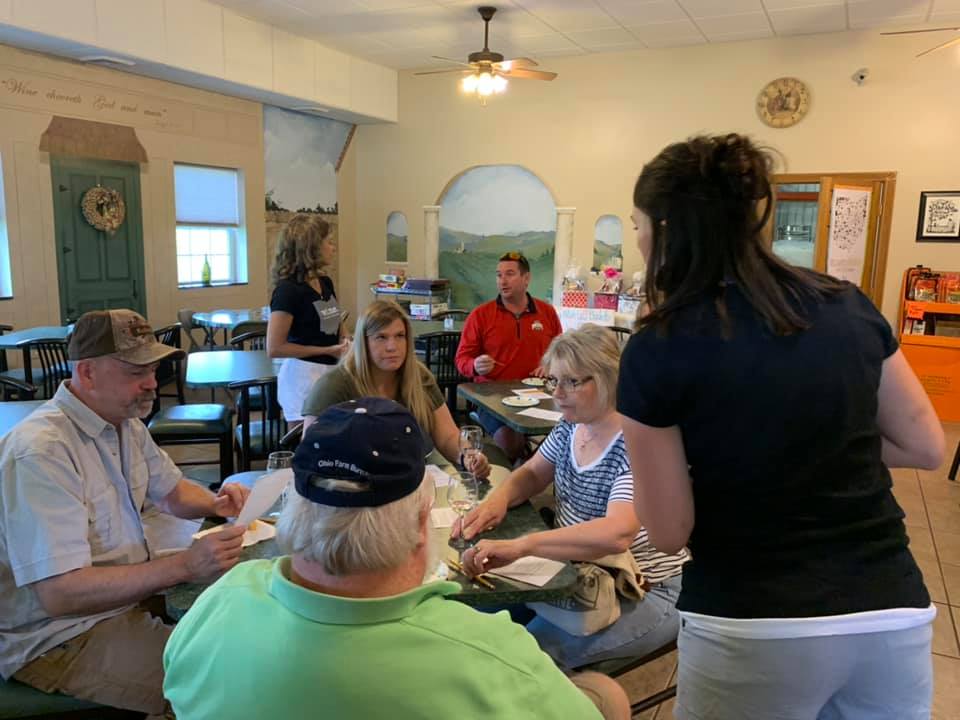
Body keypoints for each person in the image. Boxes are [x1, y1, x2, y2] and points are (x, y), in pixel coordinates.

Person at [617, 134, 945, 720]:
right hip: (887, 609)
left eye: (637, 224)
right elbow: (925, 445)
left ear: (666, 229)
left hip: (753, 619)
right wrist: (819, 444)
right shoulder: (847, 304)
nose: (637, 239)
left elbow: (667, 531)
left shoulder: (659, 346)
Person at [163, 397, 630, 720]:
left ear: (294, 510)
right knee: (606, 695)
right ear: (421, 523)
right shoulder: (491, 653)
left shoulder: (214, 607)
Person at [0, 309, 250, 716]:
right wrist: (186, 565)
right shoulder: (41, 453)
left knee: (243, 626)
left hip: (117, 602)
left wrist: (215, 502)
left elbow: (171, 492)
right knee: (217, 681)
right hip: (56, 636)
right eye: (135, 371)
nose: (152, 382)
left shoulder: (123, 421)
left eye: (152, 368)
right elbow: (60, 593)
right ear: (87, 372)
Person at [457, 324, 686, 669]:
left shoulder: (638, 440)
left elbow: (616, 533)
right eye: (554, 380)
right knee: (473, 620)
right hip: (579, 576)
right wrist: (497, 501)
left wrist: (525, 545)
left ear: (609, 378)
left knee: (524, 661)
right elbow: (533, 473)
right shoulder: (570, 424)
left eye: (571, 382)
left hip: (644, 588)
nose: (558, 393)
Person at [301, 299, 492, 479]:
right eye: (381, 337)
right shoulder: (334, 385)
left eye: (399, 336)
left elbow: (447, 435)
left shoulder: (419, 376)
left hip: (412, 475)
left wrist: (468, 455)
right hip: (355, 484)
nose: (392, 346)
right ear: (363, 342)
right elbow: (310, 454)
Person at [455, 251, 562, 462]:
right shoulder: (480, 315)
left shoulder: (547, 312)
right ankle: (522, 479)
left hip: (539, 395)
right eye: (499, 275)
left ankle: (533, 474)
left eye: (510, 274)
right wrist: (475, 365)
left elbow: (562, 352)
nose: (502, 280)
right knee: (511, 441)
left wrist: (551, 366)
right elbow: (461, 360)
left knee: (567, 430)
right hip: (492, 398)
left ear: (526, 278)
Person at [267, 213, 351, 422]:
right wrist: (327, 350)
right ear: (311, 248)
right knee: (304, 446)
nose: (334, 248)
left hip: (331, 373)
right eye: (329, 242)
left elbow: (337, 321)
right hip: (302, 379)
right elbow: (275, 348)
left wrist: (346, 340)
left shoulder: (325, 282)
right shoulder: (287, 291)